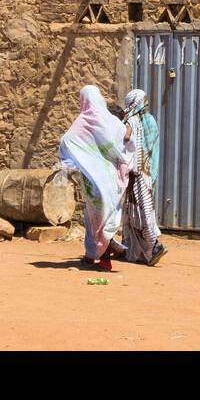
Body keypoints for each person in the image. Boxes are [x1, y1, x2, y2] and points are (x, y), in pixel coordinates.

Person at [57, 85, 133, 270]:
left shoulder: (81, 123)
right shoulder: (112, 121)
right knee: (104, 218)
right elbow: (126, 136)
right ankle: (95, 256)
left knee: (94, 218)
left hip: (93, 181)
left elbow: (66, 141)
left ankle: (101, 258)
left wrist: (81, 159)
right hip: (112, 179)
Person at [121, 89, 167, 266]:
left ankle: (154, 245)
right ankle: (135, 251)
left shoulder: (131, 120)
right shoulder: (149, 120)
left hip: (136, 173)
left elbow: (126, 139)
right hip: (147, 173)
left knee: (140, 211)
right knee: (136, 211)